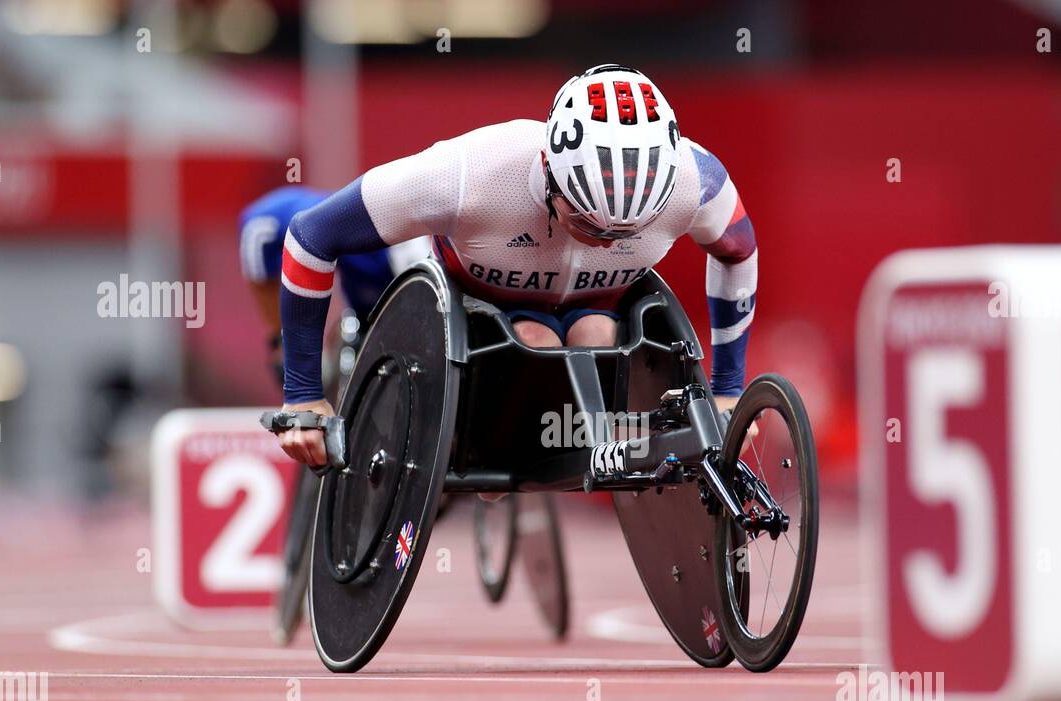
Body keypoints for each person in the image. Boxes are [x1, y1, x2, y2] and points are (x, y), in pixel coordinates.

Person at [273, 64, 756, 467]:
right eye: (589, 225)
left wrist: (729, 389)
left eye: (628, 233)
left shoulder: (699, 182)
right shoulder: (467, 174)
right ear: (549, 171)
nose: (607, 246)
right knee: (535, 341)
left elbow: (739, 253)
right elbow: (311, 237)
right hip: (484, 316)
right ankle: (494, 439)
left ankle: (568, 442)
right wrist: (301, 397)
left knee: (595, 336)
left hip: (601, 316)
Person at [238, 185, 430, 385]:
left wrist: (282, 342)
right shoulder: (268, 225)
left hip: (383, 245)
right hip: (374, 243)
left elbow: (261, 279)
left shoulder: (260, 225)